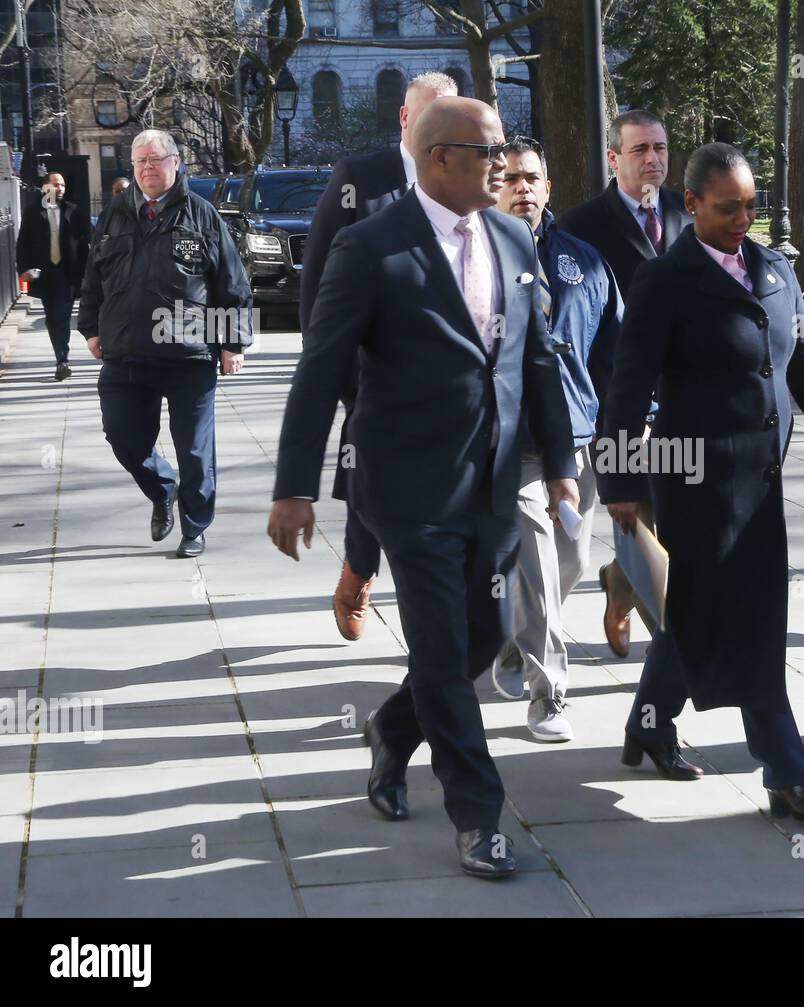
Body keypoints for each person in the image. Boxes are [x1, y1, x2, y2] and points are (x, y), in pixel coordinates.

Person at [268, 98, 579, 879]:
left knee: (482, 635)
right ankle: (478, 813)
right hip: (407, 486)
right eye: (489, 151)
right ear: (439, 158)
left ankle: (391, 729)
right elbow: (322, 366)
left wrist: (566, 466)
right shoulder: (373, 247)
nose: (505, 164)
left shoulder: (512, 237)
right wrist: (294, 486)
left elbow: (535, 360)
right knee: (442, 646)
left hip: (494, 482)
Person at [601, 143, 804, 821]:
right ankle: (787, 771)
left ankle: (651, 720)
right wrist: (620, 479)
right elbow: (628, 385)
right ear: (691, 205)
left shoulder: (774, 270)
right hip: (693, 477)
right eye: (728, 207)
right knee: (749, 624)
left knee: (697, 608)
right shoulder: (666, 281)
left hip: (763, 479)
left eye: (752, 204)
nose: (743, 218)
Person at [298, 70, 458, 642]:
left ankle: (441, 626)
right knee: (369, 482)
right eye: (429, 114)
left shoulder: (465, 177)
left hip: (449, 377)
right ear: (405, 119)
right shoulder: (359, 180)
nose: (440, 125)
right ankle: (358, 575)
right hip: (374, 375)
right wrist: (343, 379)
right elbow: (317, 286)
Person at [488, 136, 623, 742]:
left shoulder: (584, 260)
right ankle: (551, 697)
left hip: (577, 431)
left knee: (572, 560)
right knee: (538, 562)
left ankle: (518, 645)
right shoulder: (478, 258)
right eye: (510, 177)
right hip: (511, 438)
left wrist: (636, 411)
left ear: (549, 188)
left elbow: (616, 345)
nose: (521, 187)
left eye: (531, 178)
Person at [78, 130, 253, 558]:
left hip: (187, 354)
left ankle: (194, 527)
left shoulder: (202, 214)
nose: (147, 169)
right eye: (139, 162)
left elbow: (232, 282)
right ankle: (163, 490)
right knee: (123, 437)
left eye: (156, 160)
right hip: (125, 351)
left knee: (194, 450)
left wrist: (233, 344)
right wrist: (90, 329)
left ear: (176, 163)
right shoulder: (115, 214)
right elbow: (93, 278)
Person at [557, 110, 690, 658]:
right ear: (614, 159)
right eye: (639, 150)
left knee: (677, 516)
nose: (652, 158)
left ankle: (620, 586)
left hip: (684, 395)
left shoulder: (688, 212)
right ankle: (671, 647)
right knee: (633, 509)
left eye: (659, 147)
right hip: (618, 397)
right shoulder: (581, 226)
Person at [17, 172, 89, 381]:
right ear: (45, 188)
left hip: (68, 273)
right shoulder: (33, 212)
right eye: (55, 185)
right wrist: (23, 269)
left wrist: (89, 274)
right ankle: (61, 356)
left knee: (63, 317)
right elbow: (23, 243)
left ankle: (62, 359)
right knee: (52, 317)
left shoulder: (73, 211)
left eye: (63, 185)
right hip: (45, 274)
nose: (60, 189)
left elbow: (85, 244)